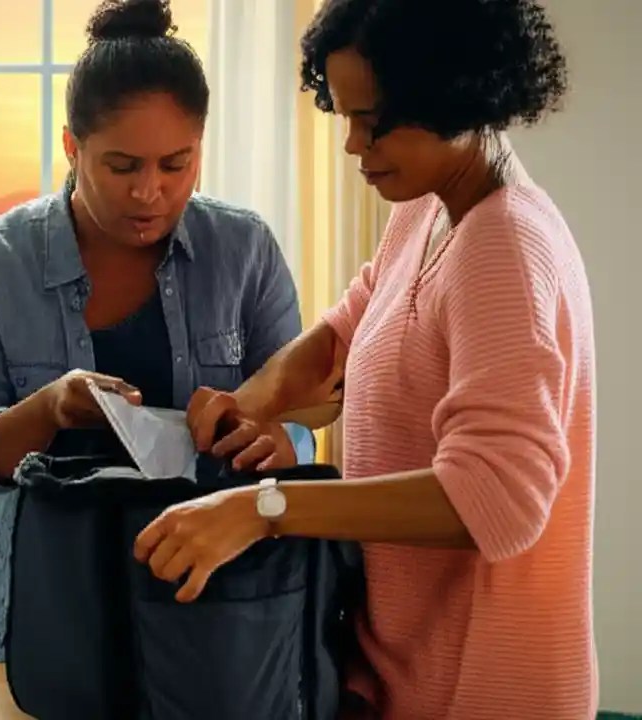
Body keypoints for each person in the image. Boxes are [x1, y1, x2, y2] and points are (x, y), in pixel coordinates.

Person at [135, 1, 596, 717]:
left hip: (481, 690)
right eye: (344, 115)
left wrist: (265, 509)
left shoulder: (503, 249)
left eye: (375, 121)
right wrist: (251, 401)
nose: (353, 145)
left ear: (455, 94)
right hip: (400, 674)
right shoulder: (430, 209)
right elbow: (344, 332)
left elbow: (497, 502)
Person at [0, 0, 314, 663]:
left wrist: (280, 443)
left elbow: (302, 424)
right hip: (26, 619)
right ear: (72, 148)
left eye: (176, 163)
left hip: (210, 614)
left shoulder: (244, 249)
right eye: (122, 166)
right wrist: (47, 408)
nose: (150, 192)